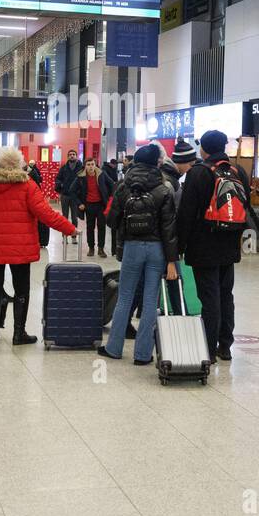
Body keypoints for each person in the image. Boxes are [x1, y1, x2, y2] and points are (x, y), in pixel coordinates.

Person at [0, 146, 77, 345]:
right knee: (21, 289)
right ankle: (18, 333)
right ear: (18, 164)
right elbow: (46, 214)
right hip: (20, 247)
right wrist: (69, 228)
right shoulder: (27, 185)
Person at [98, 143, 179, 364]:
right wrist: (172, 260)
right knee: (151, 301)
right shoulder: (164, 189)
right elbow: (170, 230)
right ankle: (143, 354)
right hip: (157, 250)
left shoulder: (123, 186)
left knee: (125, 297)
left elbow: (111, 220)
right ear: (156, 163)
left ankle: (114, 348)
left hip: (132, 248)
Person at [174, 130, 250, 362]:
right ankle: (225, 345)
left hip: (204, 245)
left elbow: (186, 213)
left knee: (209, 297)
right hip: (230, 244)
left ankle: (207, 347)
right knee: (226, 294)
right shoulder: (239, 172)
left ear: (203, 149)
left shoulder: (198, 173)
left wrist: (179, 245)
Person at [71, 156, 114, 256]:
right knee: (90, 227)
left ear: (95, 165)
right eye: (88, 165)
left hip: (101, 205)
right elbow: (72, 191)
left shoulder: (101, 174)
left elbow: (112, 184)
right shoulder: (80, 176)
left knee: (101, 227)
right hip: (88, 205)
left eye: (92, 164)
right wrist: (79, 203)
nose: (91, 167)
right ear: (85, 166)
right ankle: (91, 248)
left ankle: (101, 249)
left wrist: (110, 199)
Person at [53, 149, 83, 233]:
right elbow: (58, 178)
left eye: (73, 154)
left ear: (76, 156)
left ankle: (74, 235)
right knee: (64, 217)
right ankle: (65, 235)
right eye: (70, 154)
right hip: (65, 195)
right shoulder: (63, 168)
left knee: (74, 217)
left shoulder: (81, 168)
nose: (72, 155)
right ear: (68, 156)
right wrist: (61, 185)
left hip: (75, 196)